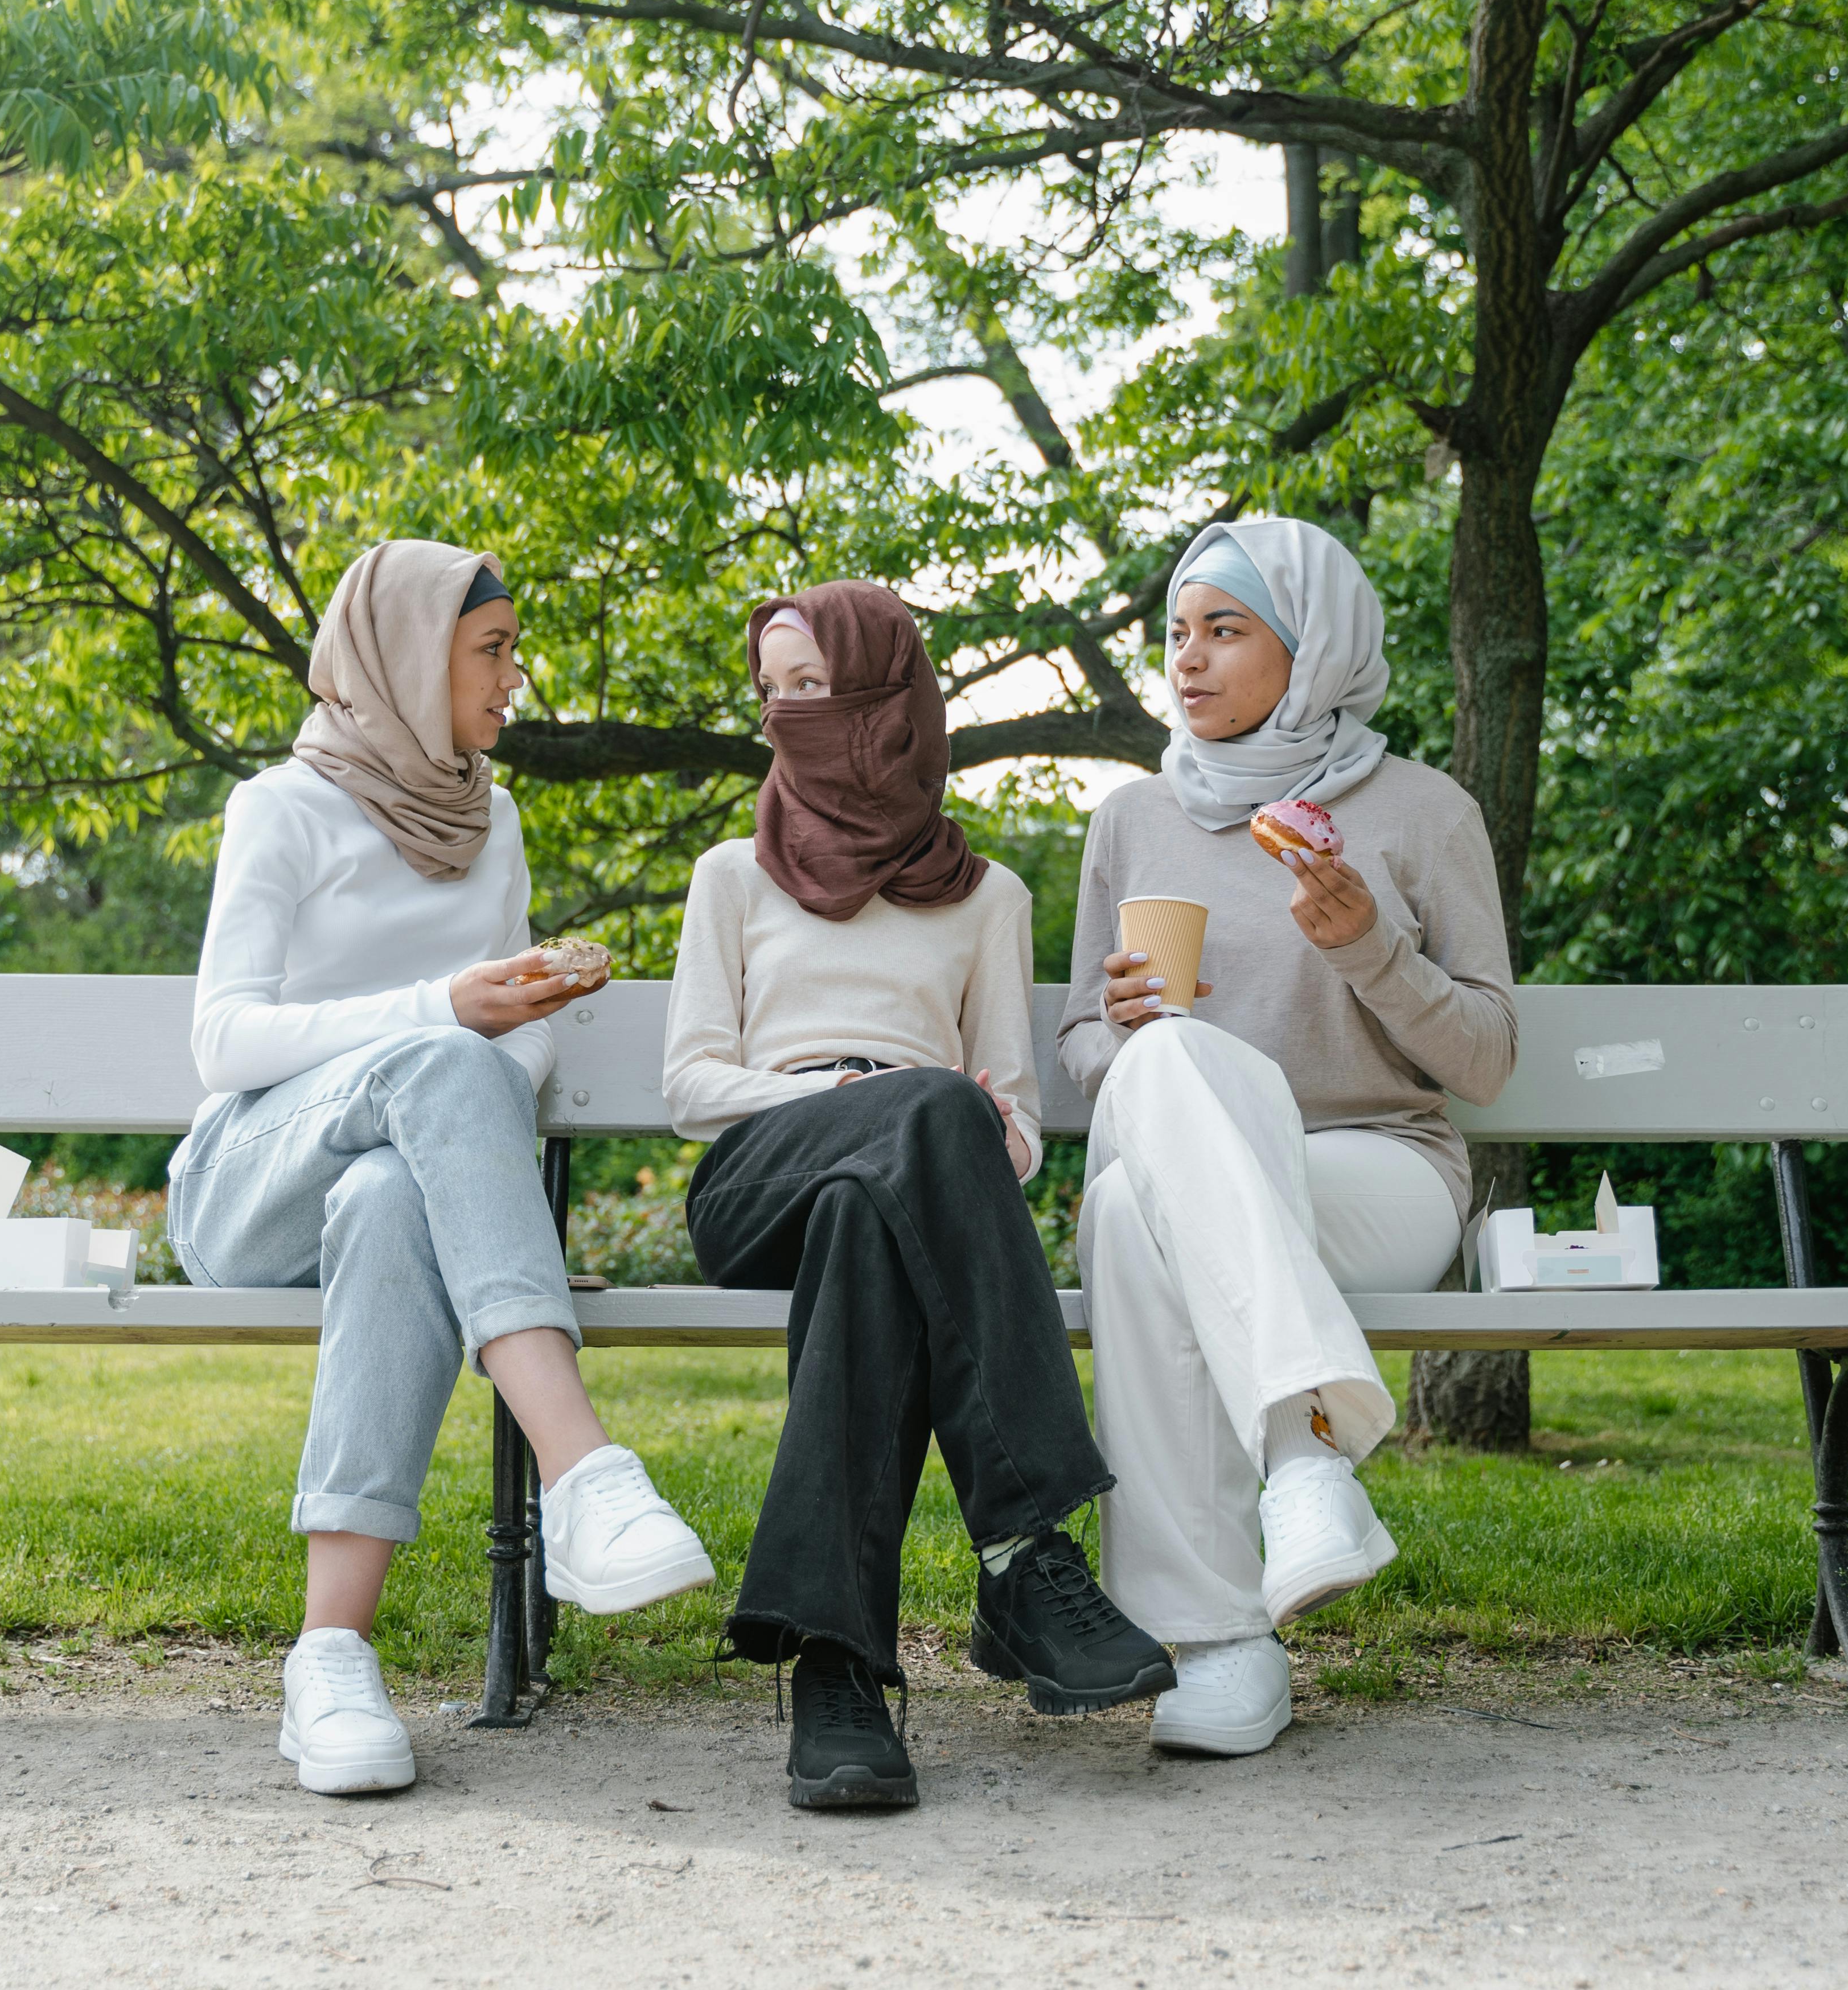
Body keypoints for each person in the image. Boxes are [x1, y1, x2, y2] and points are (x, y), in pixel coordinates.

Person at [169, 538, 714, 1799]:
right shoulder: (282, 807)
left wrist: (486, 1027)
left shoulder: (492, 813)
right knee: (428, 1070)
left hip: (382, 1182)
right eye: (494, 648)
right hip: (249, 1182)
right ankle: (584, 1470)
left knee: (393, 1190)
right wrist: (438, 1012)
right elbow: (223, 1039)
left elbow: (508, 1051)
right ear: (412, 655)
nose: (517, 675)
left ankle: (331, 1656)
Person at [664, 581, 1174, 1811]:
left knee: (875, 1221)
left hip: (886, 1205)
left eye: (812, 687)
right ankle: (1021, 1546)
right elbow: (689, 1086)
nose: (785, 711)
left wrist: (948, 1121)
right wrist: (862, 1091)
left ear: (885, 703)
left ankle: (838, 1670)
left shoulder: (986, 895)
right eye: (770, 690)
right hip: (754, 1181)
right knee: (921, 1113)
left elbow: (1016, 1127)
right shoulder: (734, 873)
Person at [1060, 517, 1517, 1760]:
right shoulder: (1135, 818)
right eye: (1177, 632)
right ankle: (1284, 1518)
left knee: (1130, 1216)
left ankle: (1227, 1613)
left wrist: (1369, 943)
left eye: (1226, 629)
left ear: (1311, 647)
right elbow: (1085, 1055)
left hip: (1375, 1169)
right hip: (1192, 1180)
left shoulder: (1421, 811)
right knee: (1135, 1169)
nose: (1187, 660)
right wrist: (1119, 1027)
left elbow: (1482, 1058)